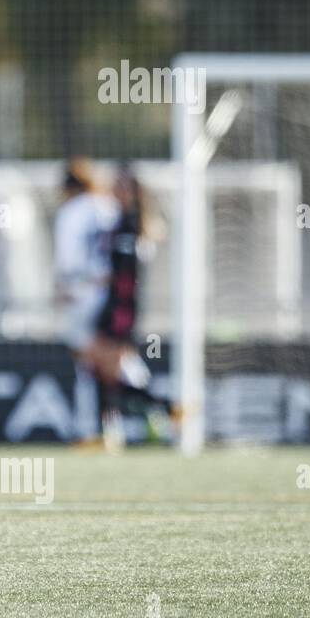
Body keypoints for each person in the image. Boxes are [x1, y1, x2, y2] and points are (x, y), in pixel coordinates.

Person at [91, 164, 178, 444]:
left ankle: (159, 411)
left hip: (120, 310)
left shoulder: (131, 225)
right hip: (113, 307)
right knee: (107, 372)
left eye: (121, 185)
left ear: (132, 192)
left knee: (107, 370)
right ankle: (159, 412)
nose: (115, 190)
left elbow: (123, 276)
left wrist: (96, 281)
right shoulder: (119, 221)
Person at [53, 158, 120, 447]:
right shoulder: (111, 207)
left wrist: (62, 288)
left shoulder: (71, 212)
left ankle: (90, 428)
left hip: (82, 293)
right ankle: (115, 426)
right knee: (114, 359)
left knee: (86, 363)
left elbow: (68, 261)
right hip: (113, 294)